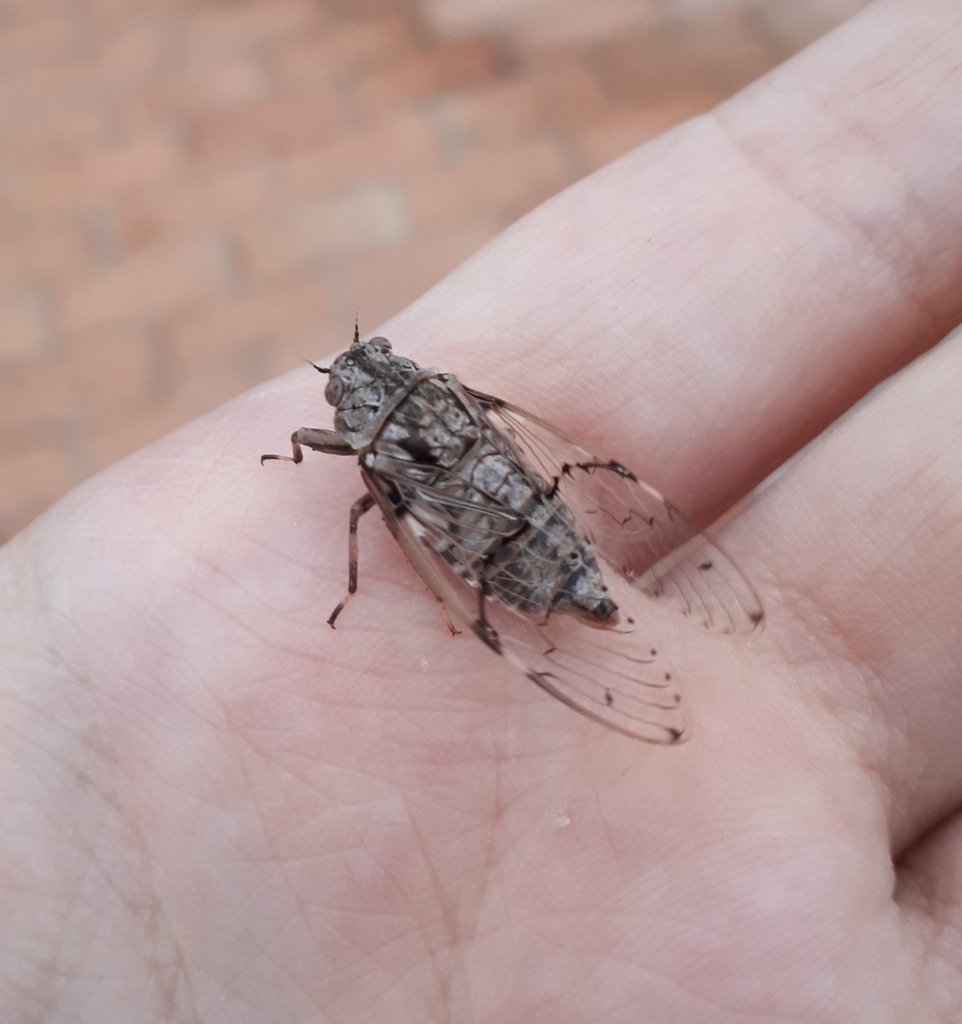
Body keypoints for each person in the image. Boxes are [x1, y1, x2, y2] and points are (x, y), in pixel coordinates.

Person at [2, 1, 961, 1019]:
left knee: (375, 520)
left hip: (496, 541)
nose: (348, 392)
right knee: (462, 500)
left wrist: (359, 553)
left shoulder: (369, 460)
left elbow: (371, 520)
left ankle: (567, 585)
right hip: (513, 503)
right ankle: (576, 580)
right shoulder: (437, 398)